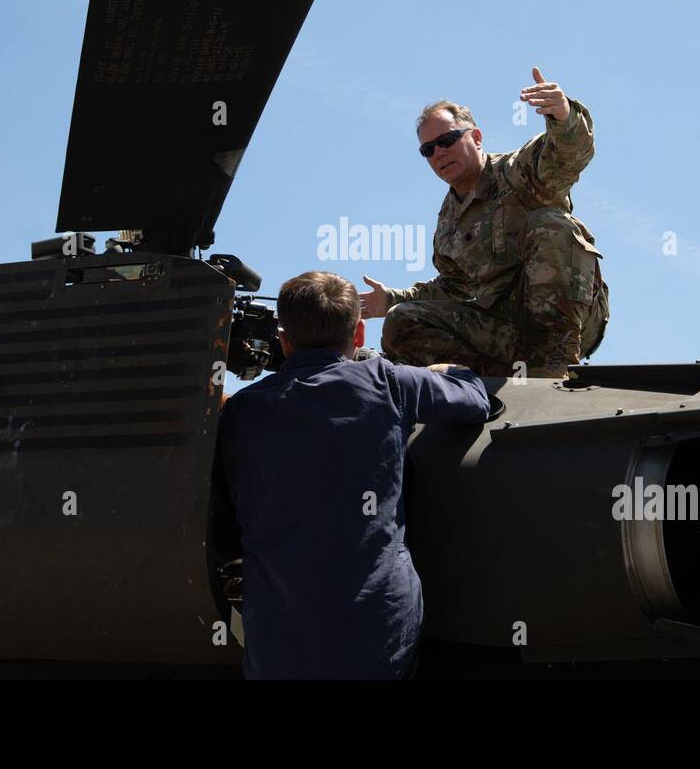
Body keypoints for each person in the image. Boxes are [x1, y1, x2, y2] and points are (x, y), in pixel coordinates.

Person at [208, 271, 490, 679]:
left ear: (284, 341)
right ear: (358, 334)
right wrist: (450, 370)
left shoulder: (240, 413)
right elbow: (474, 399)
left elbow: (222, 534)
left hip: (280, 648)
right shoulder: (389, 382)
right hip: (379, 640)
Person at [360, 66, 609, 379]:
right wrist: (392, 300)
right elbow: (453, 288)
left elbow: (567, 157)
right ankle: (500, 378)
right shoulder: (448, 224)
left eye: (448, 140)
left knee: (550, 223)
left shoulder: (516, 171)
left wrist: (563, 117)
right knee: (401, 321)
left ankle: (555, 359)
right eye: (428, 149)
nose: (438, 153)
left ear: (476, 137)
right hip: (505, 334)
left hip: (568, 320)